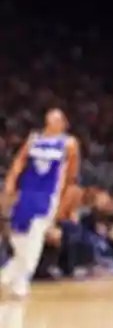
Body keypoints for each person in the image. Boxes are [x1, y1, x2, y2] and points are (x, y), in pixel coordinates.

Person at [1, 109, 79, 299]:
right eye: (51, 116)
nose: (53, 119)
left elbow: (71, 177)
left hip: (48, 194)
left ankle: (22, 282)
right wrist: (11, 182)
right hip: (27, 191)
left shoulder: (69, 143)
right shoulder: (34, 138)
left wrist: (66, 203)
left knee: (36, 235)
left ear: (63, 122)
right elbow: (20, 161)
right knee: (18, 236)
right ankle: (8, 274)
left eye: (58, 117)